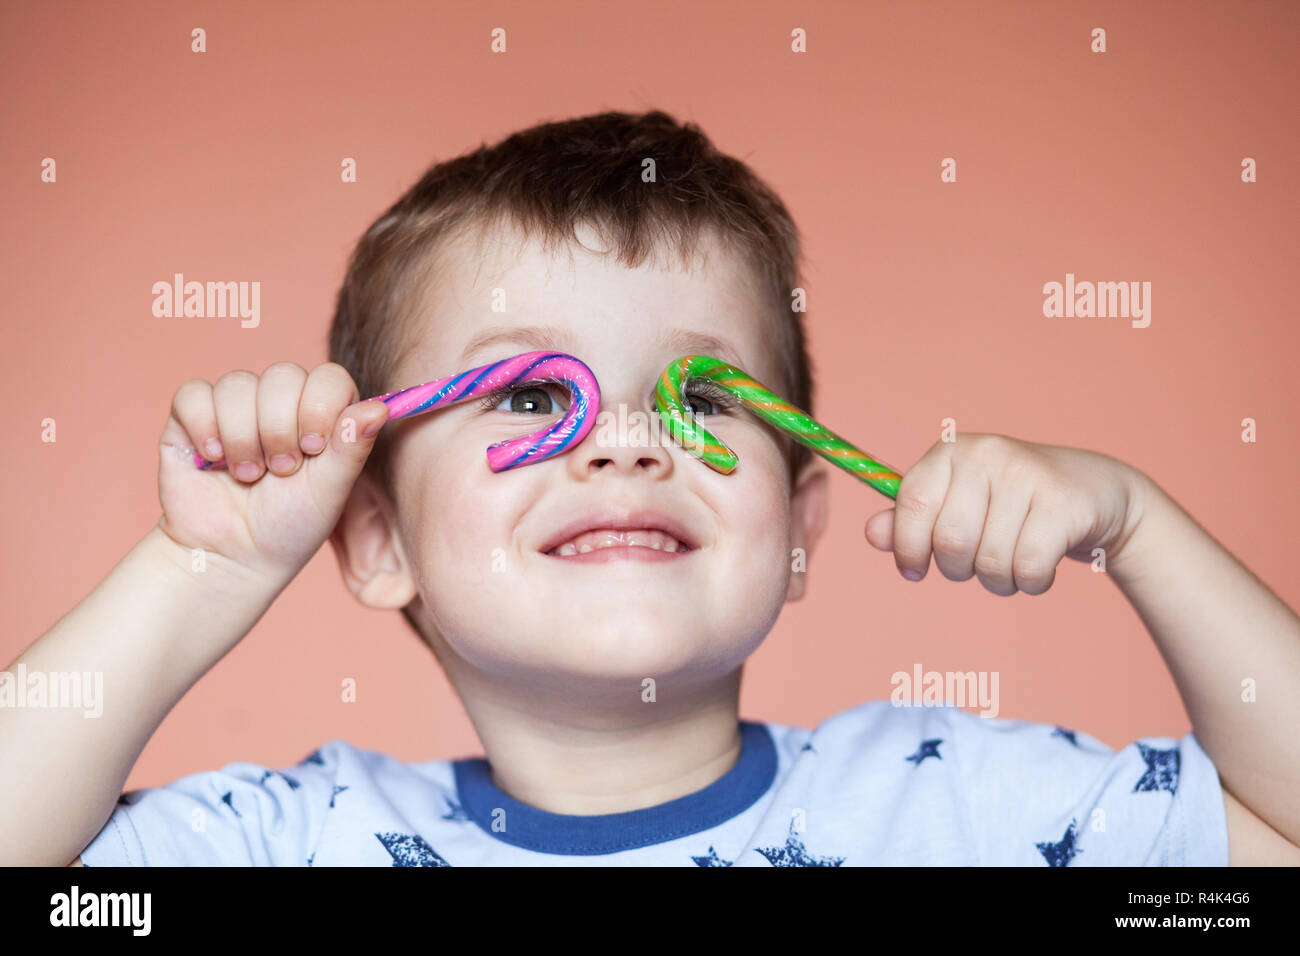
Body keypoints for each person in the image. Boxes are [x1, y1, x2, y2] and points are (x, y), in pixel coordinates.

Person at [5, 110, 1297, 866]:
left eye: (706, 398)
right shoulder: (299, 843)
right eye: (525, 397)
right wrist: (208, 565)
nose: (625, 444)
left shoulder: (958, 808)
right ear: (376, 535)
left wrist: (1138, 523)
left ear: (799, 522)